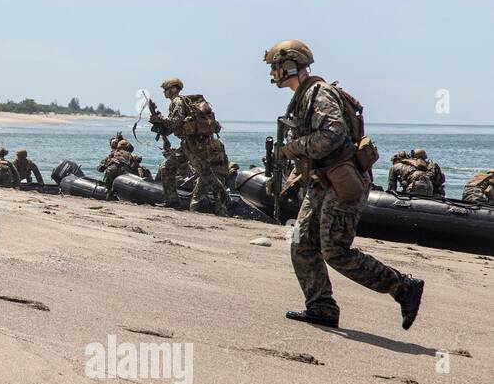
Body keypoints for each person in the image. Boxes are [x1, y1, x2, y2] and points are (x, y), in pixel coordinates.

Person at [263, 39, 423, 330]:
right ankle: (321, 307)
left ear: (290, 65)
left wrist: (294, 147)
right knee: (300, 244)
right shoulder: (303, 97)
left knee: (335, 250)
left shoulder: (318, 93)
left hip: (341, 181)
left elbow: (333, 135)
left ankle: (402, 287)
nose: (273, 73)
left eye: (276, 67)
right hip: (321, 182)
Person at [154, 77, 227, 215]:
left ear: (174, 89)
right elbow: (175, 126)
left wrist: (160, 119)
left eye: (166, 89)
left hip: (194, 145)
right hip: (188, 144)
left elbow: (175, 121)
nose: (164, 92)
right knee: (167, 167)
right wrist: (161, 125)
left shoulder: (177, 101)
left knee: (206, 175)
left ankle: (224, 201)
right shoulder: (179, 103)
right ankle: (172, 200)